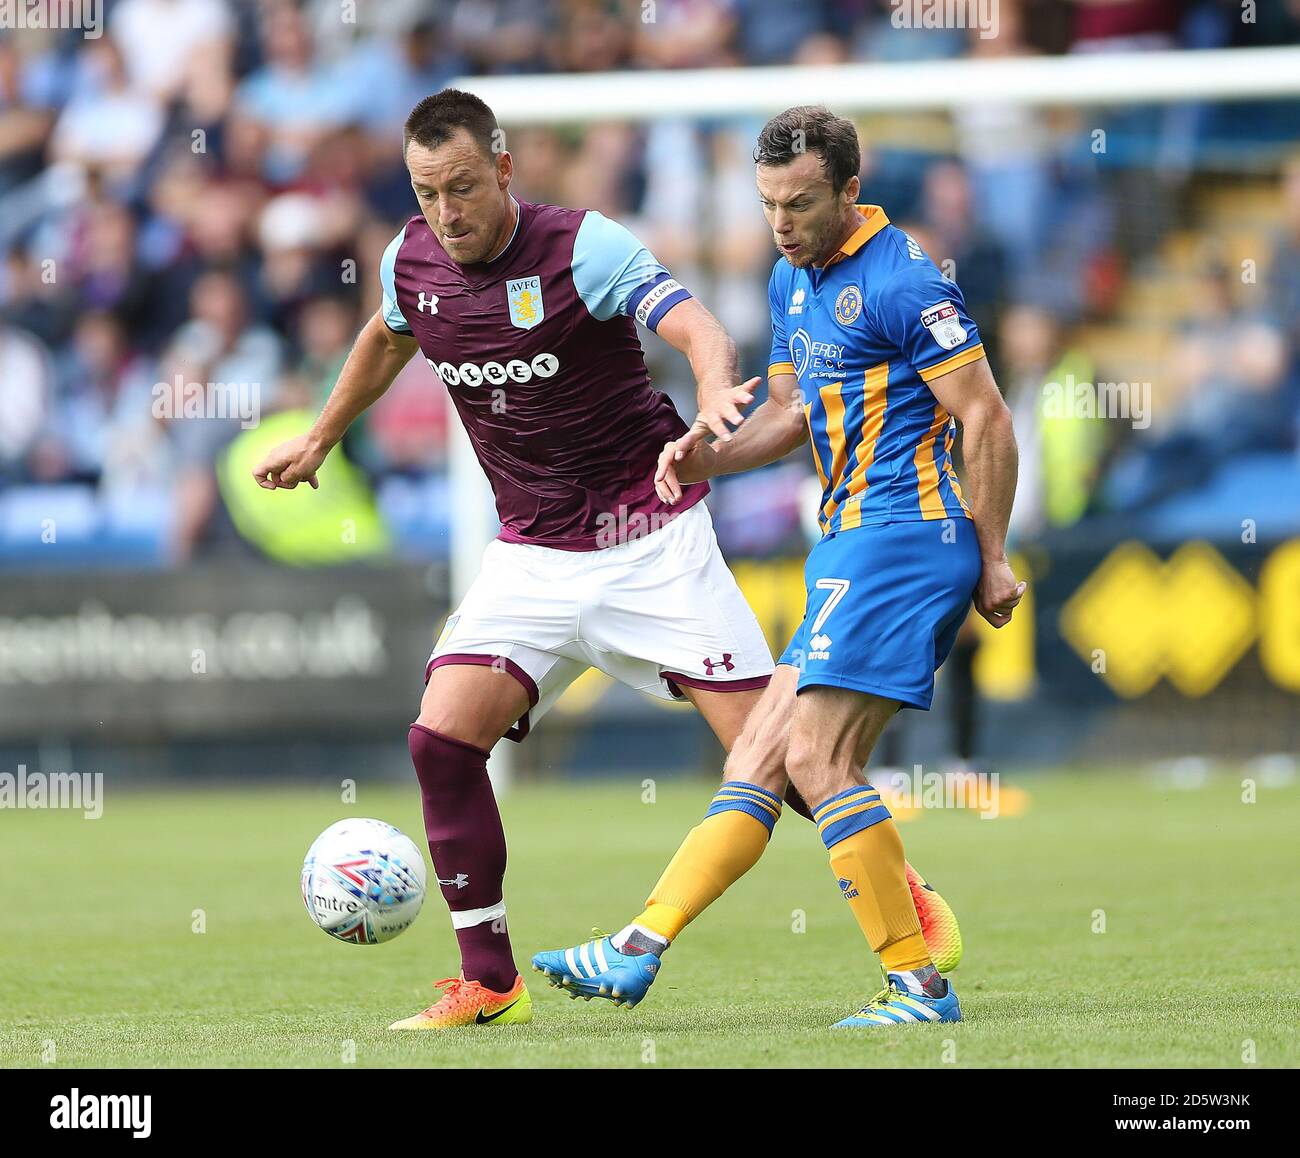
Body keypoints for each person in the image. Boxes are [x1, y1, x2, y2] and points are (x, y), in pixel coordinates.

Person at [251, 89, 963, 1030]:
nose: (446, 212)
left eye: (462, 187)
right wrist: (323, 437)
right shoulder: (409, 260)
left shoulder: (584, 245)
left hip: (651, 540)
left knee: (784, 759)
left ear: (503, 169)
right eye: (426, 192)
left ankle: (906, 902)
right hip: (531, 554)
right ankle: (489, 983)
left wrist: (711, 398)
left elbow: (698, 327)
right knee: (438, 740)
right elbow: (390, 337)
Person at [537, 106, 1025, 1029]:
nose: (783, 222)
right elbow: (792, 413)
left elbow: (986, 417)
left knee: (817, 755)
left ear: (849, 188)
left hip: (905, 537)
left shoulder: (904, 279)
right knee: (761, 754)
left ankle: (919, 987)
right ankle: (638, 947)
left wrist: (992, 555)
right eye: (768, 205)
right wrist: (701, 455)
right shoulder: (789, 282)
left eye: (801, 203)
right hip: (846, 539)